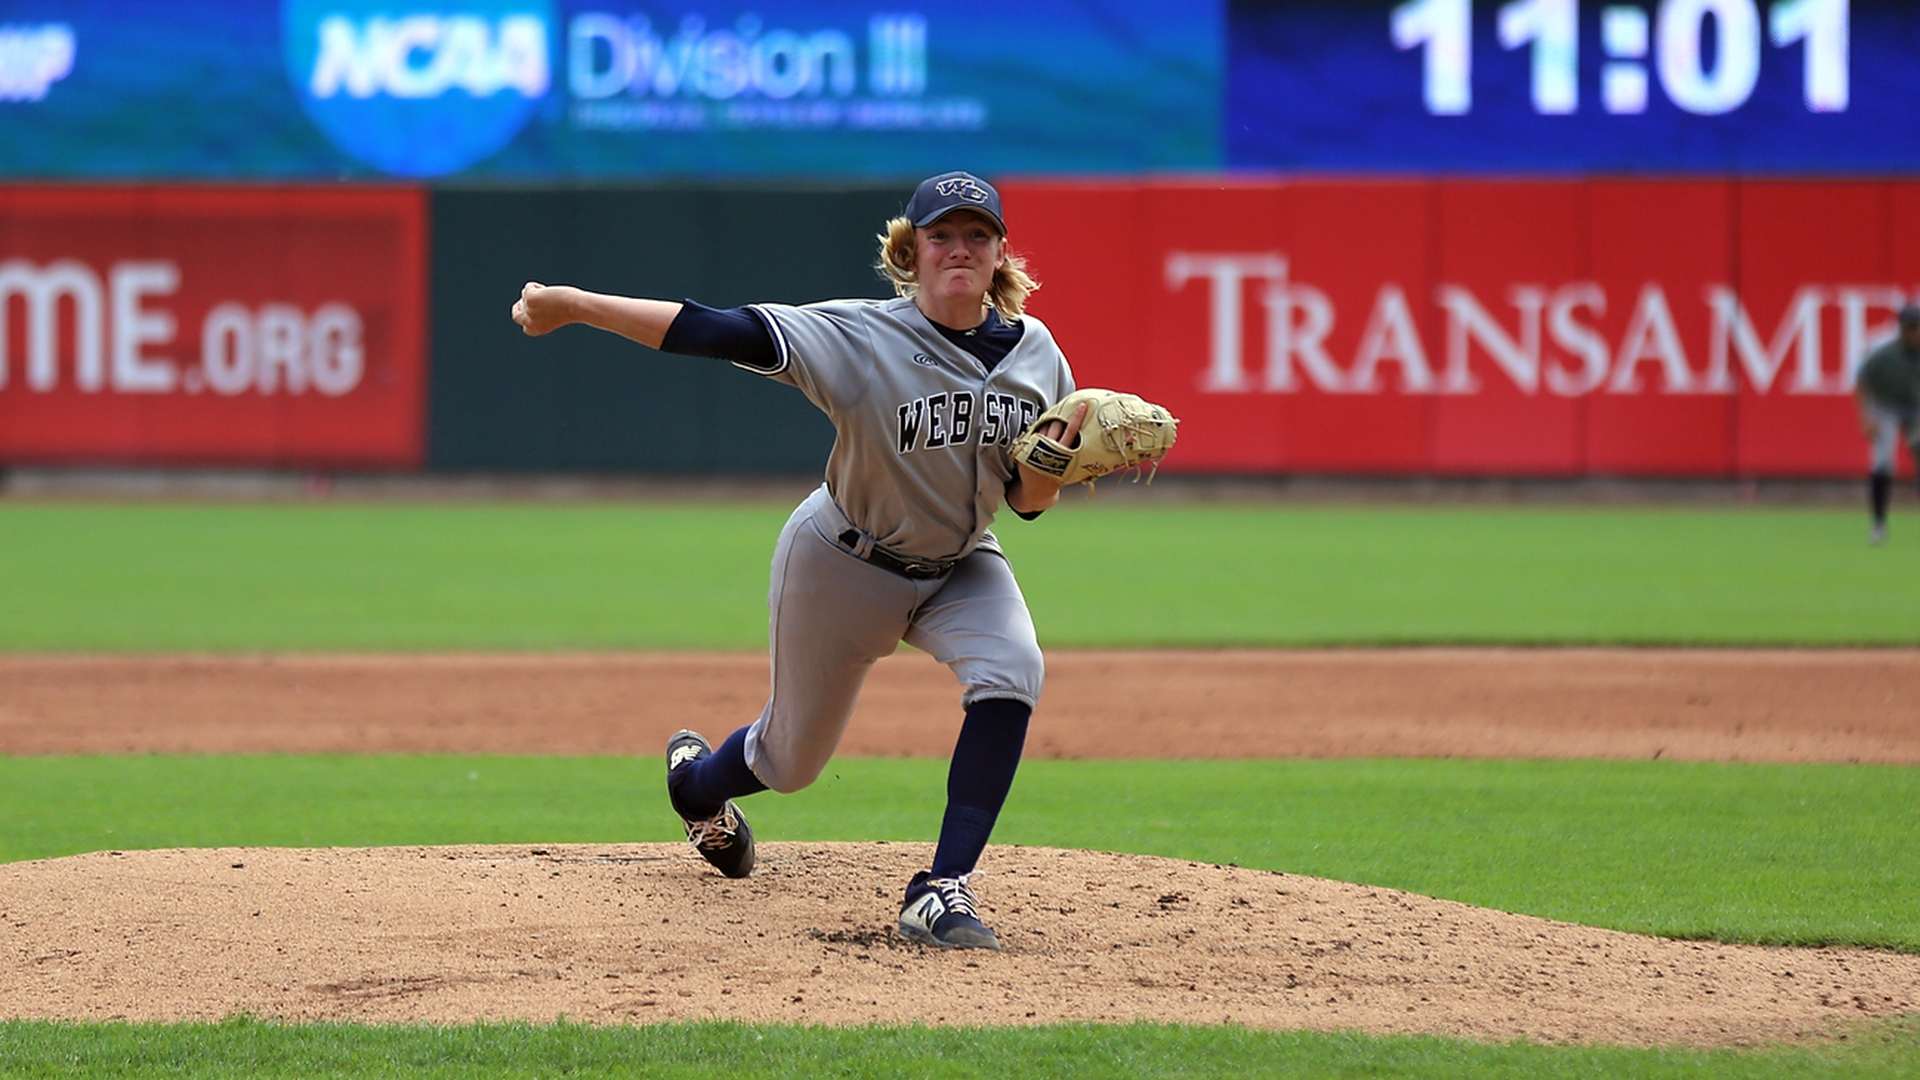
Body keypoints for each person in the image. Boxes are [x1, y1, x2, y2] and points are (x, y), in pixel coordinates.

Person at [510, 171, 1084, 950]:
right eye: (941, 236)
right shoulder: (859, 337)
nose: (959, 249)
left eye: (976, 235)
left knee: (1015, 668)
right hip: (843, 561)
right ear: (910, 254)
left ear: (998, 253)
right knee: (791, 761)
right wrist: (578, 305)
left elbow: (1026, 501)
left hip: (962, 563)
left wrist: (1050, 468)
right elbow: (715, 330)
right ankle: (695, 789)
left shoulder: (1039, 354)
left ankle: (939, 891)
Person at [1853, 304, 1920, 545]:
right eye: (1910, 328)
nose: (1914, 333)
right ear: (1901, 330)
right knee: (1883, 462)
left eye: (1917, 328)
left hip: (1915, 408)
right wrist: (1866, 417)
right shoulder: (1886, 353)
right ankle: (1878, 524)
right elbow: (1862, 381)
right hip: (1885, 406)